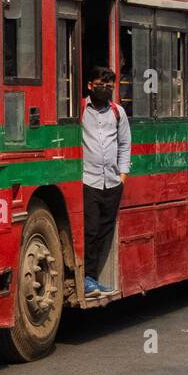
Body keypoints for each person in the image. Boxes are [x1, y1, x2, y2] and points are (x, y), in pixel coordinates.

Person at [82, 66, 131, 296]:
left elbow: (124, 144)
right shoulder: (80, 109)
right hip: (88, 181)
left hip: (112, 183)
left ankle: (92, 277)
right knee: (89, 231)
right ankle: (87, 278)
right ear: (90, 86)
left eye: (109, 86)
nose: (105, 89)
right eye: (100, 85)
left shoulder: (117, 112)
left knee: (104, 232)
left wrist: (122, 175)